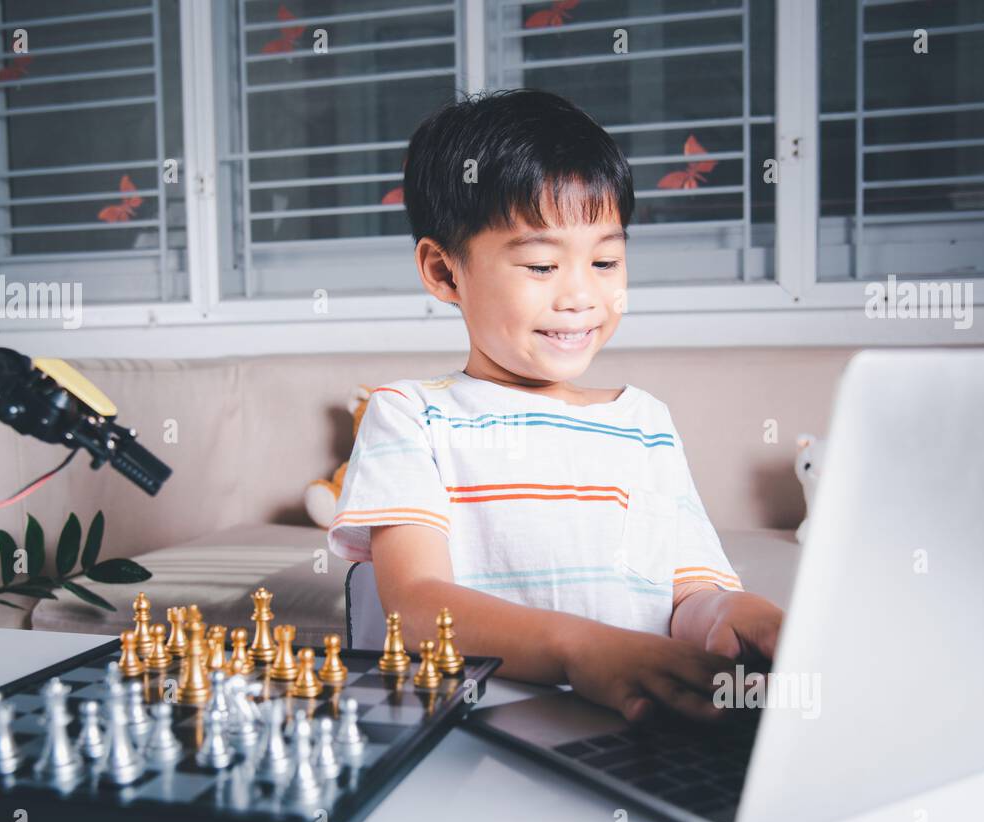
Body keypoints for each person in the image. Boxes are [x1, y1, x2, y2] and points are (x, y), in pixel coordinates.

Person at [327, 90, 784, 723]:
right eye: (541, 264)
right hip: (480, 733)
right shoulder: (411, 415)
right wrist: (579, 650)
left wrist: (735, 612)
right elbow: (418, 609)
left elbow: (689, 597)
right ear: (443, 271)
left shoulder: (644, 423)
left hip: (636, 727)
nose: (580, 296)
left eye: (605, 260)